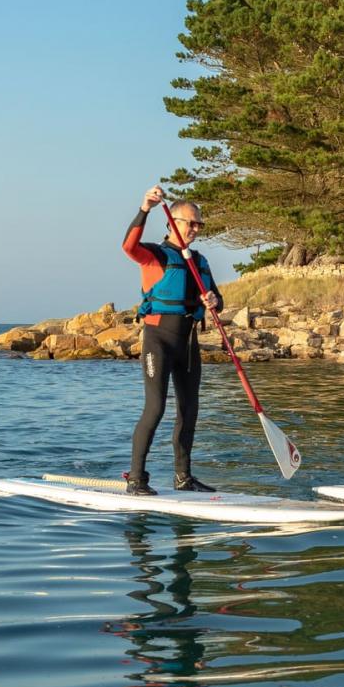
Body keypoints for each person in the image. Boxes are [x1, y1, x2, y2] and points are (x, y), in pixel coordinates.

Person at [121, 186, 222, 495]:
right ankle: (137, 479)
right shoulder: (154, 254)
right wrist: (145, 208)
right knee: (155, 409)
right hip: (158, 341)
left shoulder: (200, 261)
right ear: (172, 223)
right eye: (190, 223)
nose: (195, 229)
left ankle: (183, 477)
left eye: (199, 225)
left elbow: (218, 298)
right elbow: (127, 246)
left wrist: (215, 301)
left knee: (189, 410)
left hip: (189, 344)